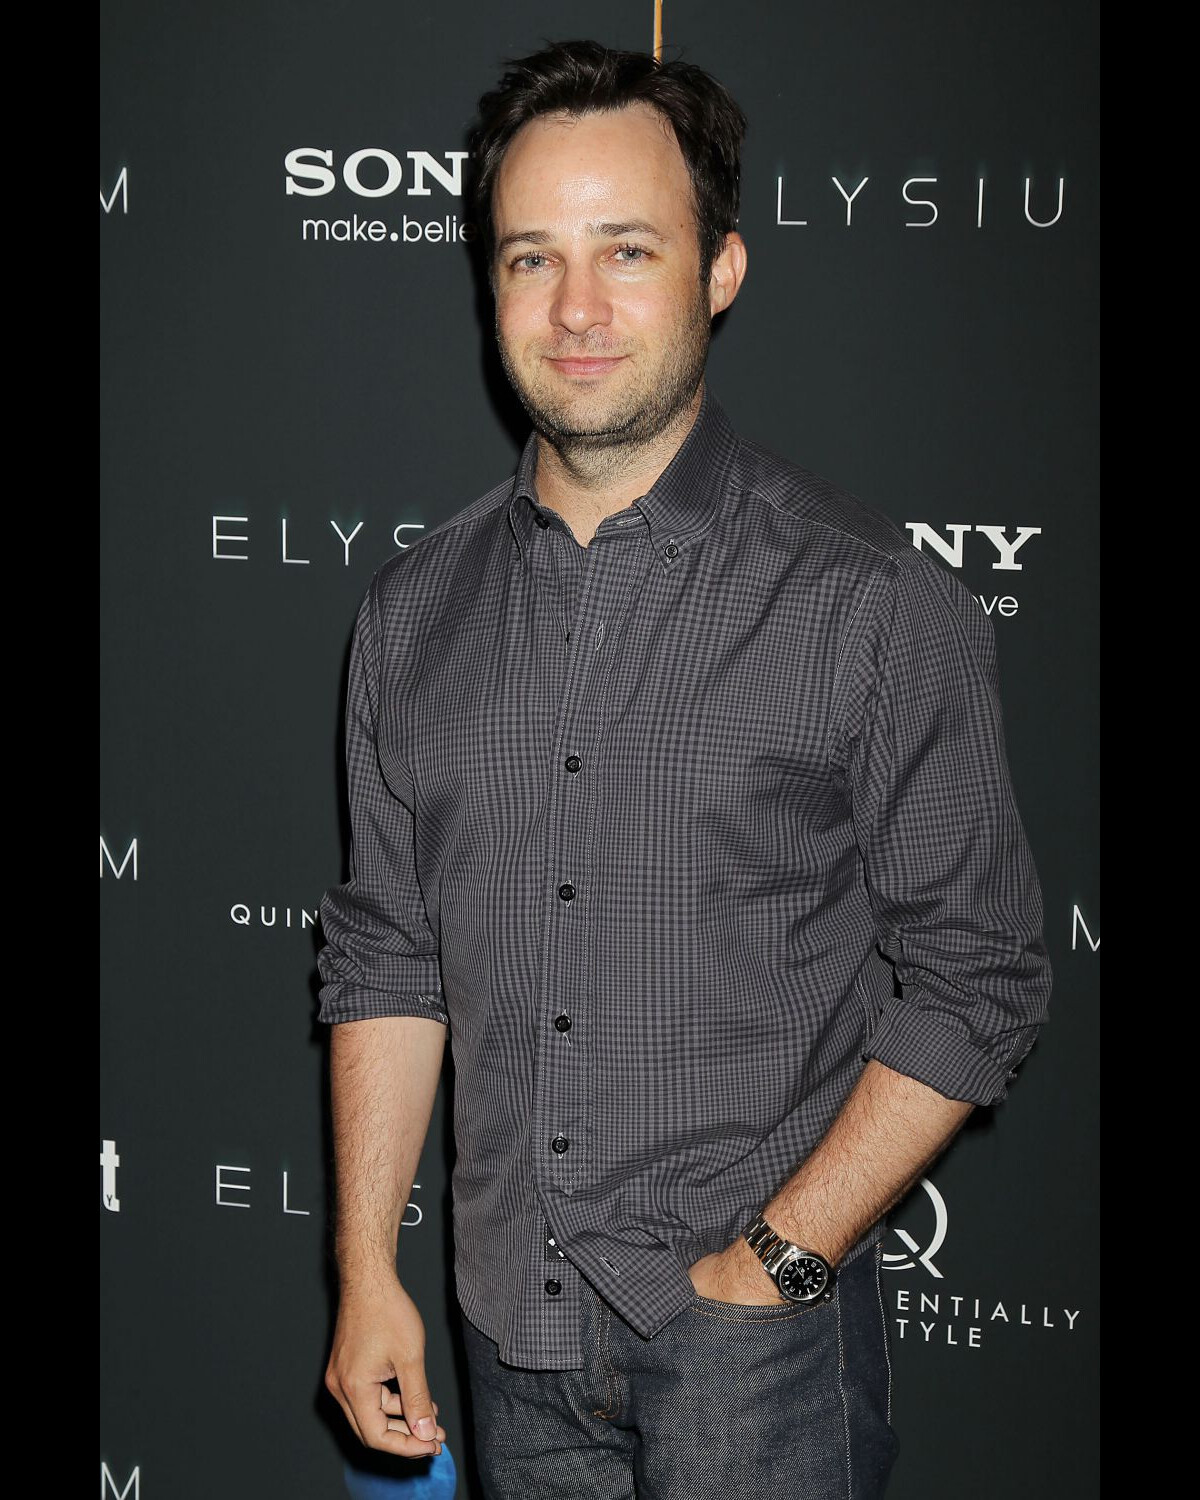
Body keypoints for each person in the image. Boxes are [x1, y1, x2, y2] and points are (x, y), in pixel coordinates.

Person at [317, 38, 1051, 1500]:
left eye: (627, 250)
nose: (576, 309)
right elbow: (390, 961)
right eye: (531, 259)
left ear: (720, 268)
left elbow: (981, 978)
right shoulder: (410, 614)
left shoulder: (865, 603)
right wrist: (363, 1270)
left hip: (754, 1359)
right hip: (499, 1332)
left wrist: (777, 1260)